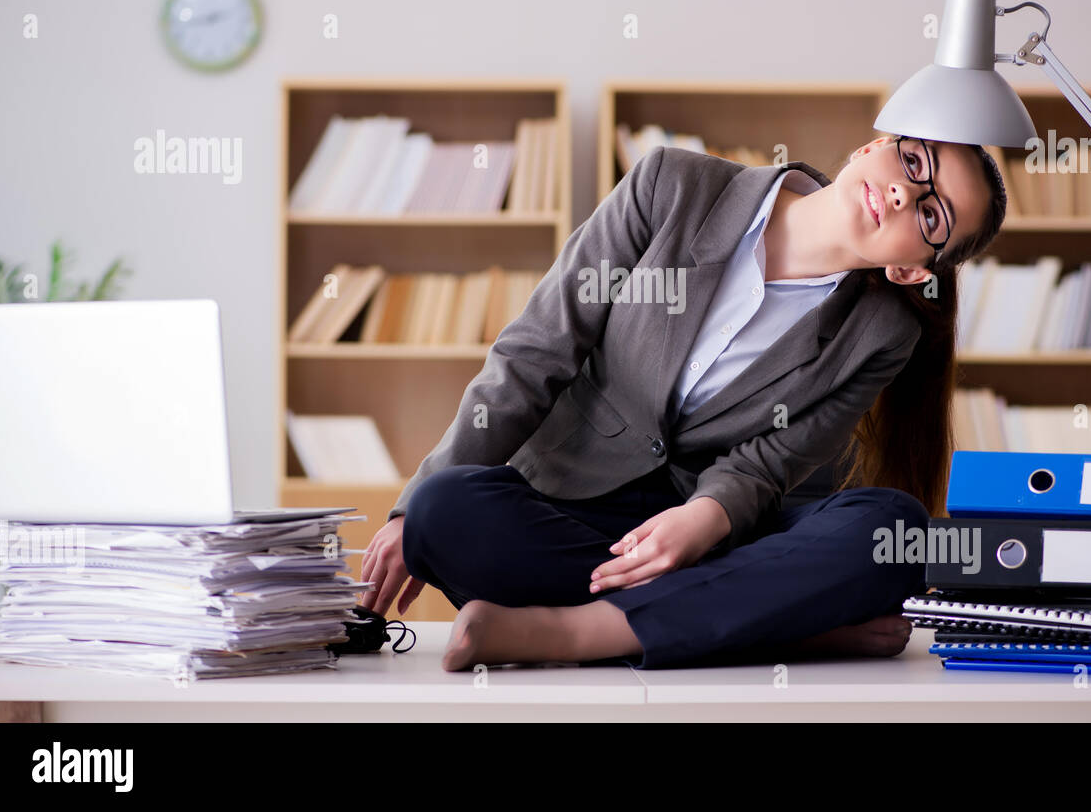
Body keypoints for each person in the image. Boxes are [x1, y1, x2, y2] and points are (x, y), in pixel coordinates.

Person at [360, 136, 1006, 670]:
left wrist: (705, 515)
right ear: (875, 146)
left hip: (707, 539)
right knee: (446, 508)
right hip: (563, 511)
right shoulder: (672, 184)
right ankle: (775, 631)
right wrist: (410, 506)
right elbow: (535, 354)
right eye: (915, 163)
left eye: (931, 215)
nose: (904, 192)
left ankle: (577, 634)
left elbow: (769, 461)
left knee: (890, 527)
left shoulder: (883, 332)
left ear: (913, 270)